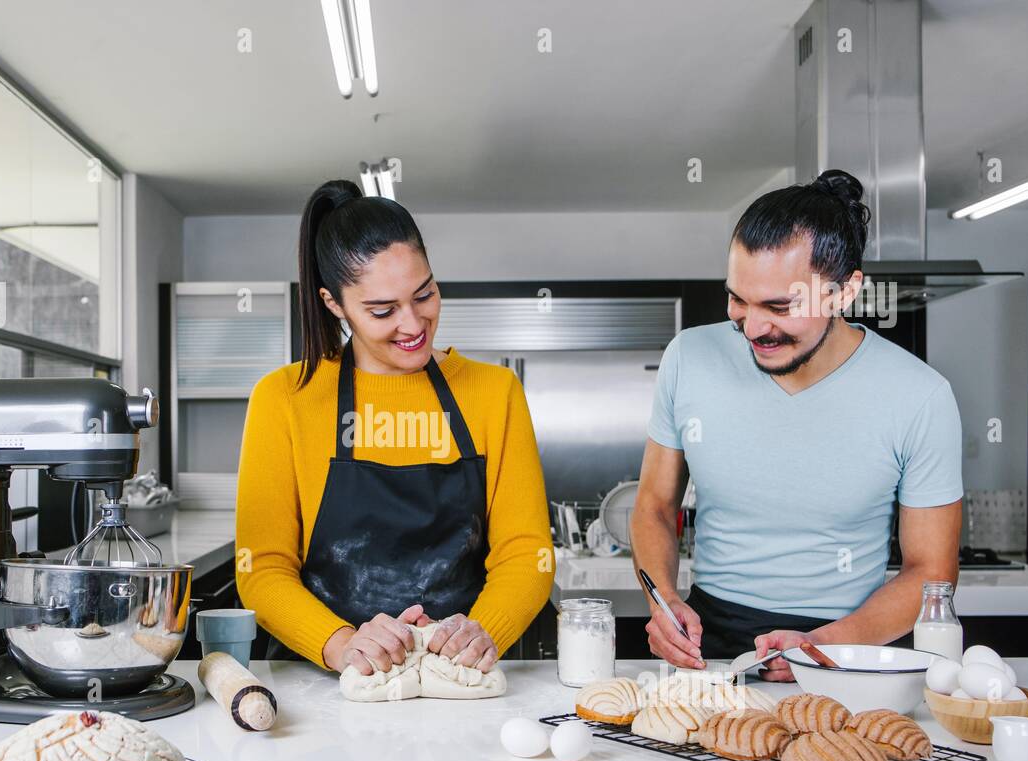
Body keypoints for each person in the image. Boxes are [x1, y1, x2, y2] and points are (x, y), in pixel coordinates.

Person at [631, 169, 962, 680]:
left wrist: (823, 645)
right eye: (738, 300)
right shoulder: (689, 358)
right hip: (708, 644)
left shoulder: (920, 396)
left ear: (844, 292)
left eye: (780, 306)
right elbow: (654, 504)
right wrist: (664, 599)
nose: (754, 328)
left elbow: (932, 572)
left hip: (848, 646)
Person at [235, 179, 553, 676]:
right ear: (334, 304)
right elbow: (263, 568)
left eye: (424, 294)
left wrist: (482, 630)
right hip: (330, 689)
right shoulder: (284, 400)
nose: (413, 324)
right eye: (382, 310)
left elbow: (526, 551)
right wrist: (341, 644)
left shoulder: (495, 393)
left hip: (462, 680)